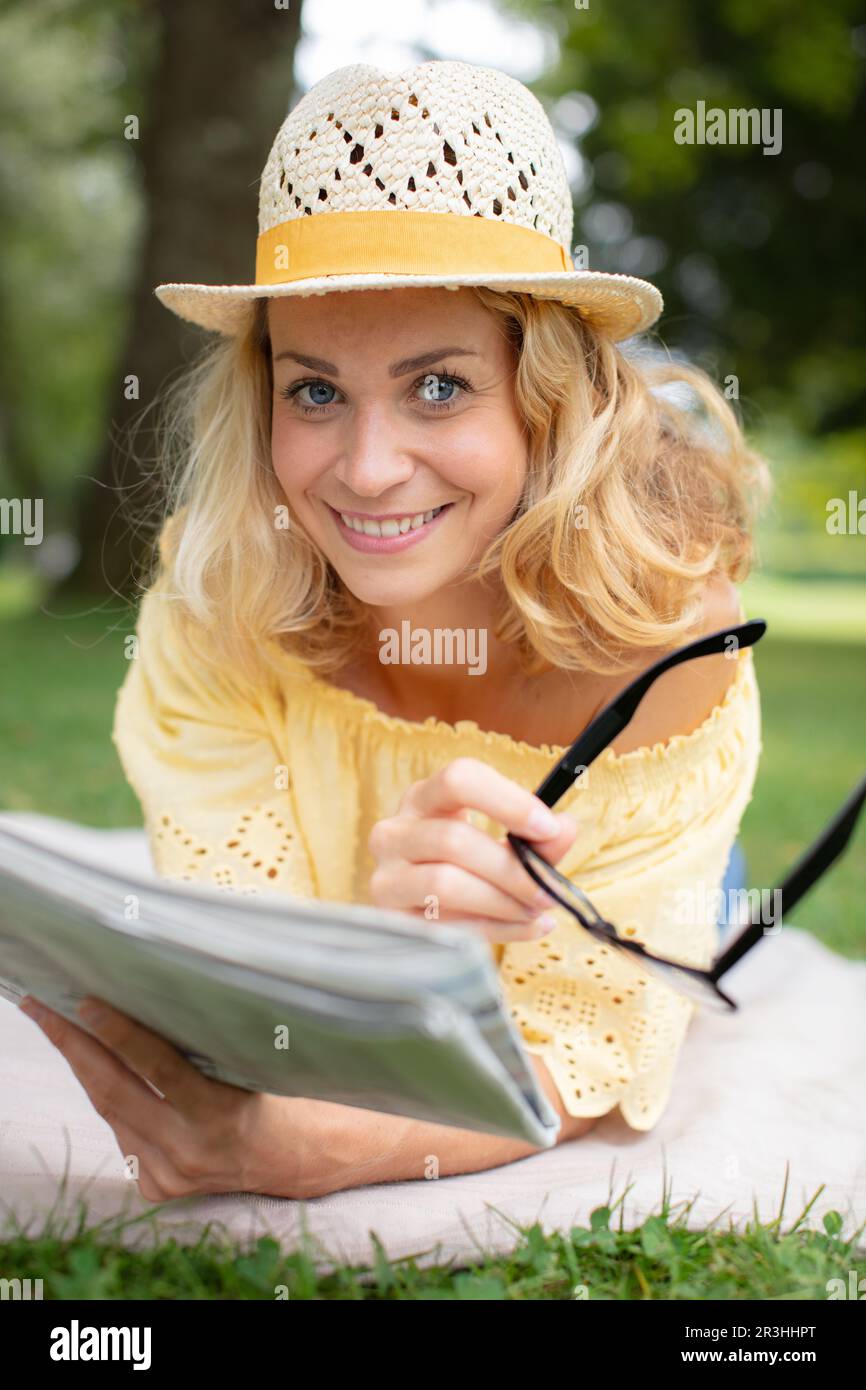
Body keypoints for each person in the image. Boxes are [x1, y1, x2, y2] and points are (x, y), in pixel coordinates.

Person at [21, 60, 769, 1203]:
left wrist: (307, 1147)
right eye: (315, 392)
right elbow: (246, 983)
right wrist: (377, 934)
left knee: (703, 908)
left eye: (437, 387)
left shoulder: (671, 647)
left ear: (543, 391)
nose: (366, 473)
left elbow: (581, 1031)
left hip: (653, 848)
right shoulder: (219, 589)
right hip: (392, 903)